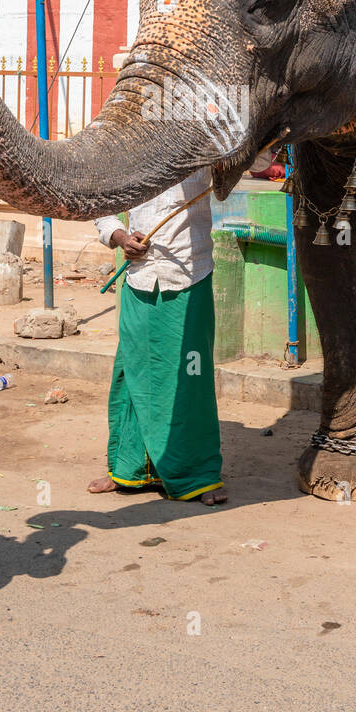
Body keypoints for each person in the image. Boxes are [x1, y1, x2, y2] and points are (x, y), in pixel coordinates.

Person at [89, 168, 227, 505]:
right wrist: (120, 237)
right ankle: (129, 469)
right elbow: (100, 202)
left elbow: (257, 157)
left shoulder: (206, 134)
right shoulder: (129, 144)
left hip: (189, 276)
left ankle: (197, 475)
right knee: (131, 372)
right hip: (139, 279)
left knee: (190, 377)